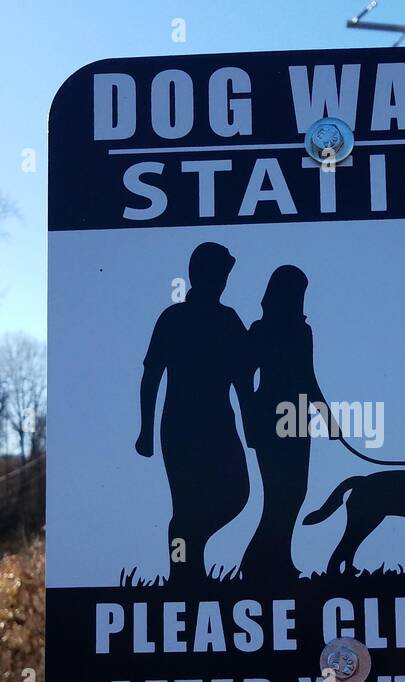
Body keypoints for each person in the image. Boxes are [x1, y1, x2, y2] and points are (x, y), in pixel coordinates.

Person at [136, 242, 250, 582]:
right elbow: (151, 374)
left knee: (236, 493)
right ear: (204, 275)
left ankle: (189, 559)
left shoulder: (229, 320)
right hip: (180, 428)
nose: (223, 282)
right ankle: (183, 574)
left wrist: (252, 425)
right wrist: (144, 430)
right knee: (184, 507)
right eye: (220, 274)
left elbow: (243, 379)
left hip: (219, 426)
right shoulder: (173, 318)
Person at [241, 264, 326, 582]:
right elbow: (244, 377)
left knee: (296, 491)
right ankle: (257, 562)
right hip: (269, 416)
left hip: (298, 417)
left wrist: (325, 416)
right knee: (278, 492)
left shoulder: (303, 331)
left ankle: (280, 558)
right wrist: (250, 419)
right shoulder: (260, 330)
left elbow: (309, 377)